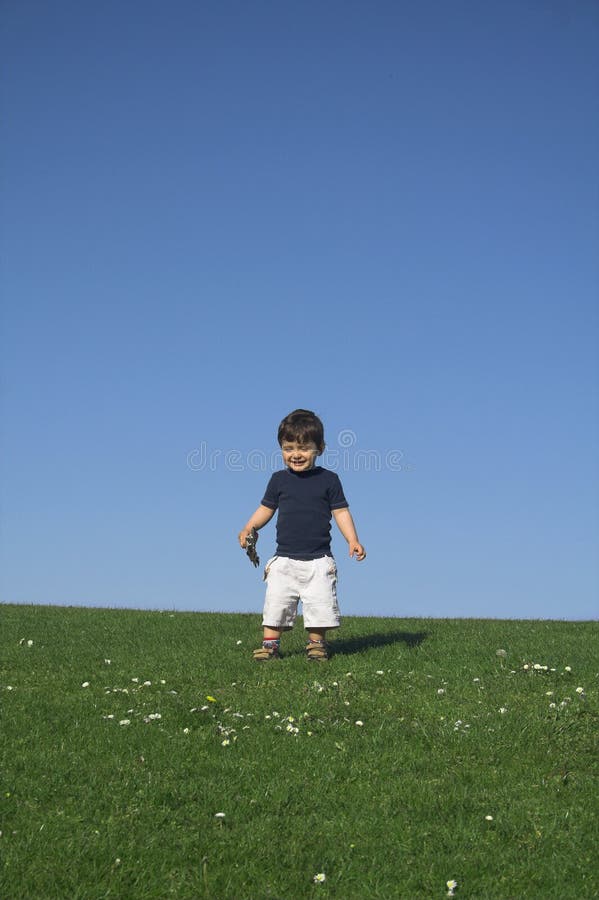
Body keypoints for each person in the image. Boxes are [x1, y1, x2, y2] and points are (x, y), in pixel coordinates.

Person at [238, 409, 366, 661]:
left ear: (320, 448)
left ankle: (316, 645)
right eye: (288, 448)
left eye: (304, 448)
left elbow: (341, 512)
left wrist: (352, 539)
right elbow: (266, 509)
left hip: (318, 559)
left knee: (319, 604)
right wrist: (249, 527)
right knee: (277, 602)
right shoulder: (278, 480)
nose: (296, 454)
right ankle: (270, 646)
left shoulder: (329, 480)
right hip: (284, 558)